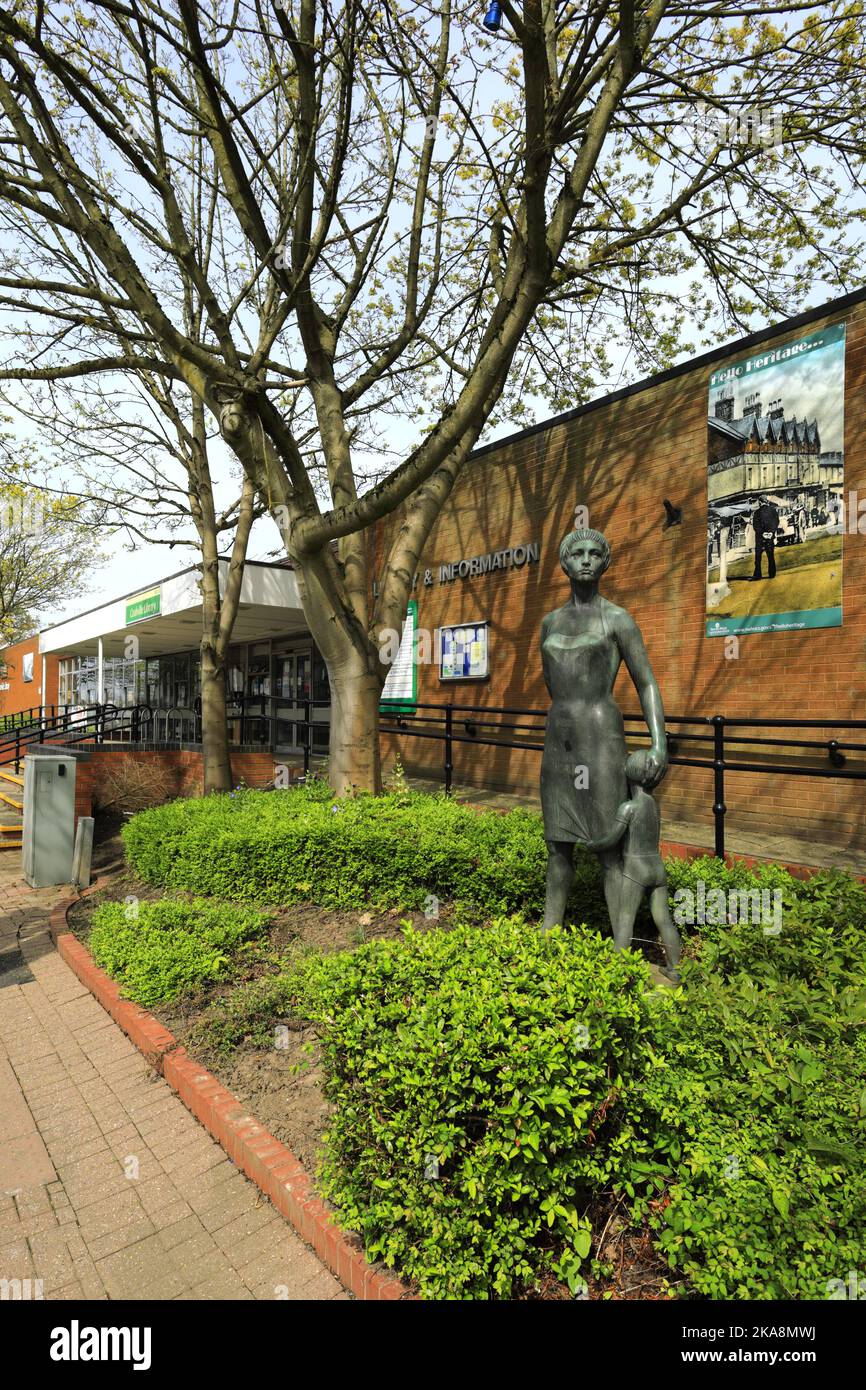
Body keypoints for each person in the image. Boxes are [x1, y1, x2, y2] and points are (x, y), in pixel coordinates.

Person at [539, 528, 668, 949]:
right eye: (578, 553)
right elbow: (552, 683)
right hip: (560, 740)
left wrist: (658, 742)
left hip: (601, 740)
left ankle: (621, 944)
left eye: (596, 553)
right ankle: (549, 930)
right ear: (565, 562)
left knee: (607, 850)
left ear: (606, 561)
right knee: (558, 845)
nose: (587, 560)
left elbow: (646, 682)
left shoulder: (617, 619)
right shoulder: (550, 623)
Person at [581, 749, 682, 981]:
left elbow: (611, 839)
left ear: (630, 774)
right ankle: (675, 969)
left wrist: (591, 845)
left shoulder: (628, 807)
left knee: (625, 919)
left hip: (636, 869)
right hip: (656, 866)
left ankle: (618, 970)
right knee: (664, 919)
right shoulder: (653, 805)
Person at [751, 494, 779, 579]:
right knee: (771, 556)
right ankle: (772, 574)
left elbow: (755, 526)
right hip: (770, 537)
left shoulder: (756, 512)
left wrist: (762, 533)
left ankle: (758, 574)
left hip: (760, 538)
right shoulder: (773, 510)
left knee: (758, 557)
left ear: (760, 502)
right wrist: (771, 532)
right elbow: (776, 522)